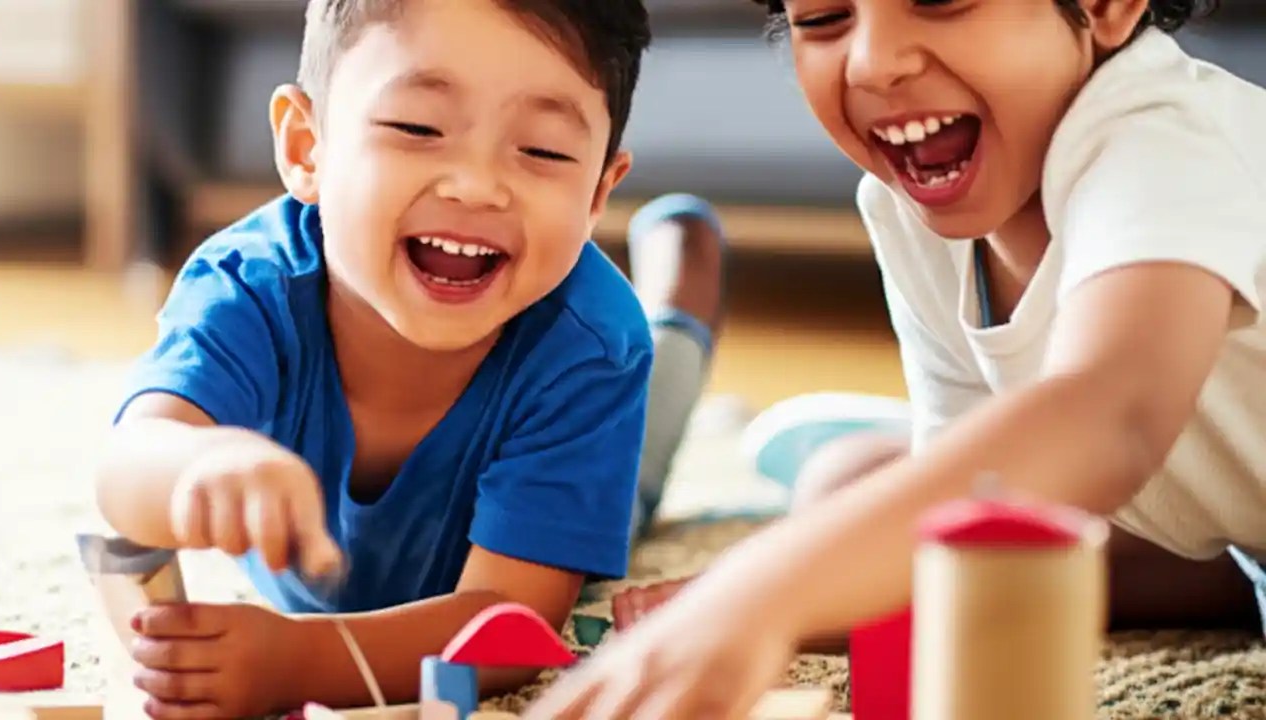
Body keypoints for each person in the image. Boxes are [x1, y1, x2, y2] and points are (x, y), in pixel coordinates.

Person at [526, 0, 1266, 717]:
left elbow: (1115, 413)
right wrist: (754, 607)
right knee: (848, 488)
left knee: (851, 523)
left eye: (941, 1)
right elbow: (973, 528)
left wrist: (767, 590)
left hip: (1162, 471)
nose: (874, 63)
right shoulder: (908, 216)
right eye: (822, 19)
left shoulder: (1167, 137)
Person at [90, 0, 726, 715]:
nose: (476, 186)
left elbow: (509, 630)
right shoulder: (248, 286)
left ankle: (682, 293)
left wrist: (299, 660)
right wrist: (194, 469)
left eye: (543, 151)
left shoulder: (590, 350)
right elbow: (127, 464)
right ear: (307, 148)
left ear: (596, 197)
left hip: (587, 408)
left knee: (642, 450)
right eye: (417, 128)